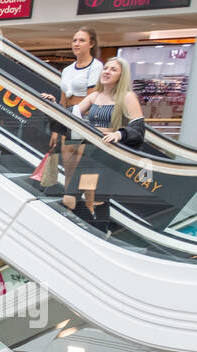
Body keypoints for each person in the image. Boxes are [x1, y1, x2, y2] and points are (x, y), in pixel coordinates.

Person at [70, 57, 144, 223]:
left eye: (113, 69)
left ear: (121, 75)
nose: (107, 72)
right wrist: (53, 104)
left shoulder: (127, 96)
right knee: (72, 197)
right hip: (90, 151)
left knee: (99, 198)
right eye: (106, 68)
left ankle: (100, 230)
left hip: (109, 154)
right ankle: (93, 226)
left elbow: (138, 128)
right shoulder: (95, 95)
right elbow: (72, 113)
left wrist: (119, 134)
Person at [40, 27, 103, 209]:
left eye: (82, 40)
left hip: (86, 124)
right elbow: (63, 100)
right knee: (69, 170)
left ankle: (91, 210)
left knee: (85, 173)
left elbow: (92, 99)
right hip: (68, 121)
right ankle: (72, 209)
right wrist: (56, 128)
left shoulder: (96, 67)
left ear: (91, 44)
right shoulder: (67, 70)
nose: (76, 44)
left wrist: (74, 118)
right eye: (75, 40)